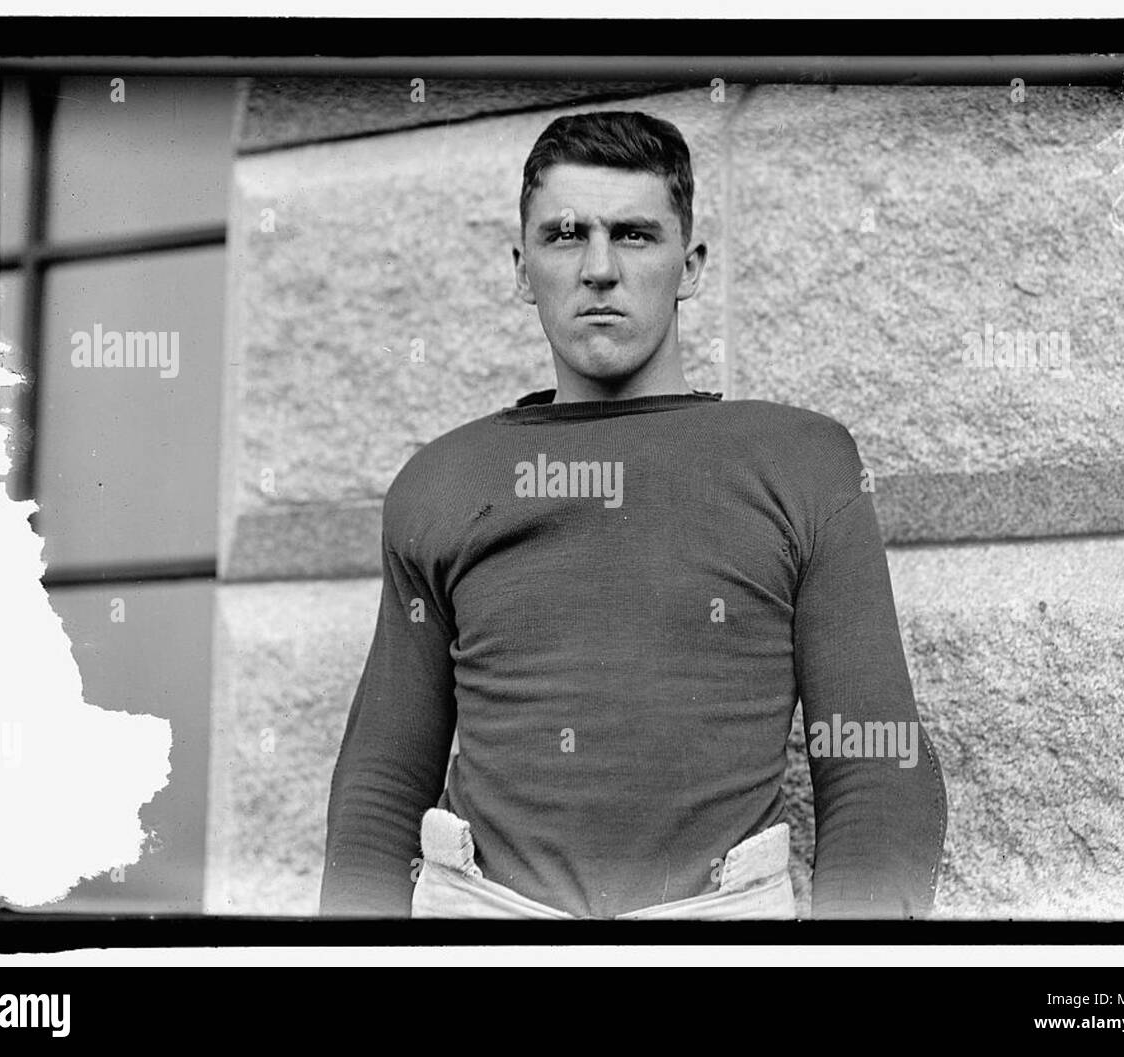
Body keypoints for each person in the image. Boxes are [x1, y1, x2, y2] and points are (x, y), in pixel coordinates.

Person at [320, 110, 947, 920]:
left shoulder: (802, 462)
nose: (599, 268)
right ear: (521, 267)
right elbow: (380, 782)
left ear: (690, 264)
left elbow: (878, 764)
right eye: (565, 235)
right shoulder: (442, 481)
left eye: (636, 235)